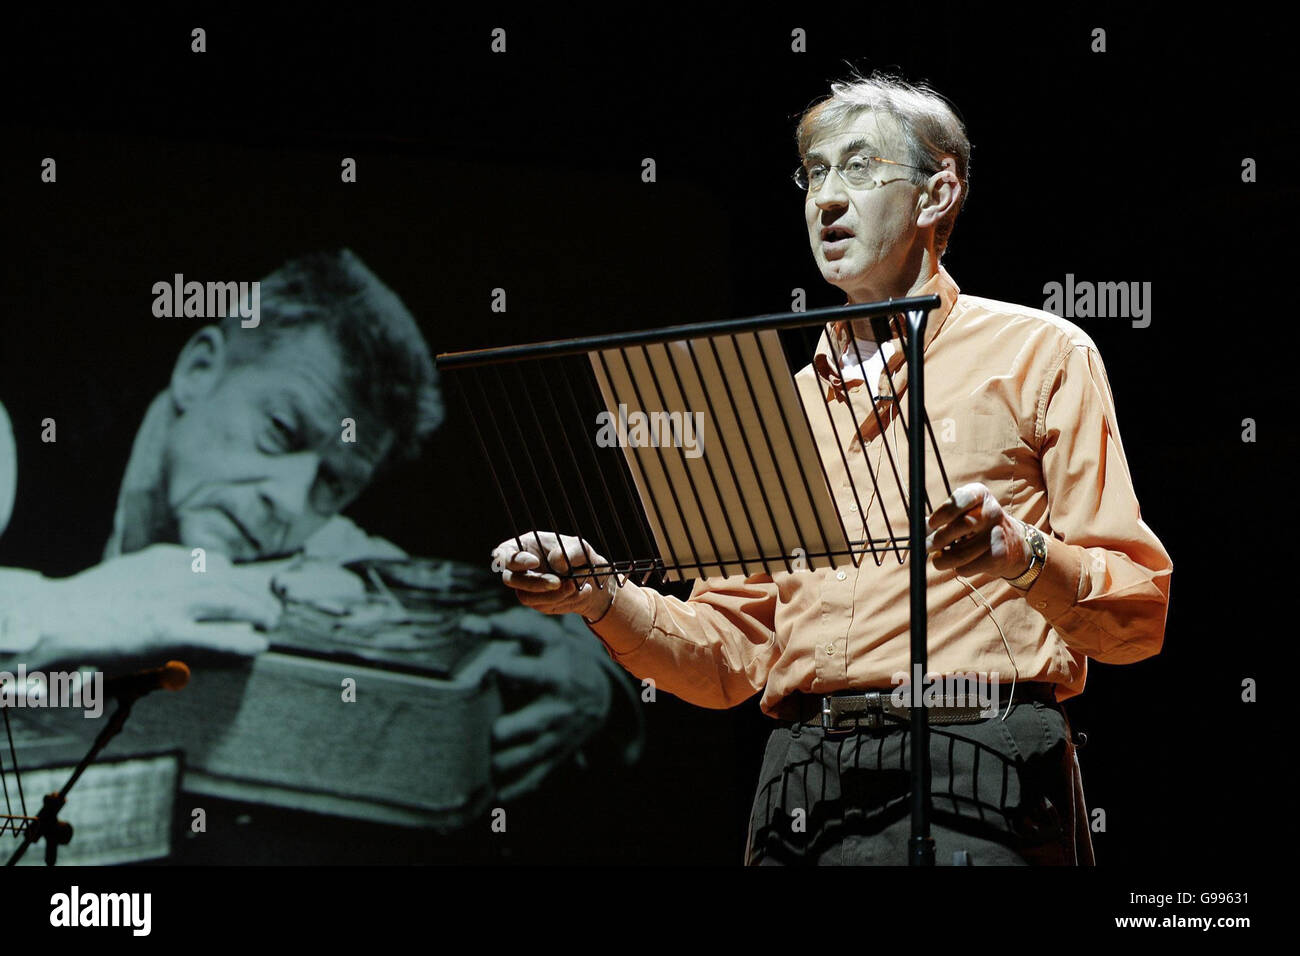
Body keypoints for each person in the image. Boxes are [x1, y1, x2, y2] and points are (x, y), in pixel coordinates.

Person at [491, 71, 1172, 865]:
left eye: (858, 168)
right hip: (804, 781)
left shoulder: (1041, 354)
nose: (826, 199)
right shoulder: (764, 411)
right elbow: (724, 658)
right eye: (813, 172)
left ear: (937, 192)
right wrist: (599, 595)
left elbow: (1138, 615)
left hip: (984, 763)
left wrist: (1018, 555)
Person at [0, 249, 638, 804]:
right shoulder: (17, 445)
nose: (289, 501)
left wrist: (599, 680)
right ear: (199, 370)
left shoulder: (309, 541)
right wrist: (60, 611)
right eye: (279, 431)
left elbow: (481, 604)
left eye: (332, 482)